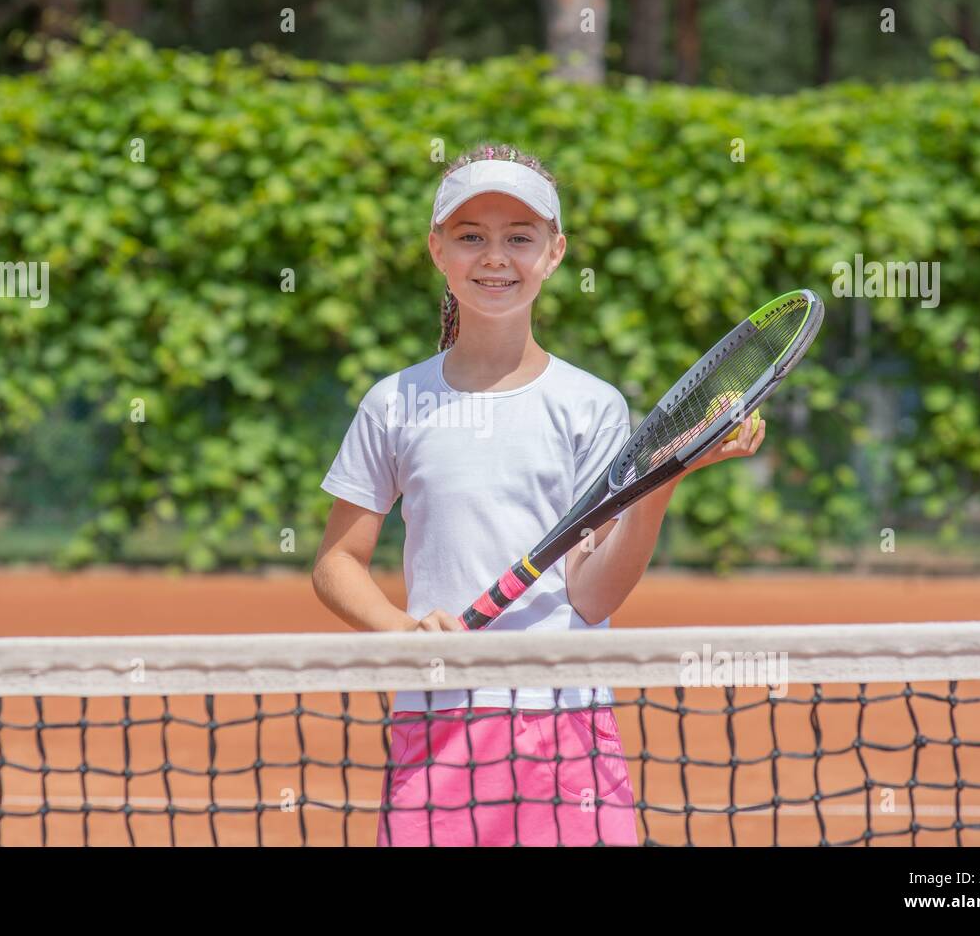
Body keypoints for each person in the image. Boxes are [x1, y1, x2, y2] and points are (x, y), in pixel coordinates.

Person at [311, 143, 765, 846]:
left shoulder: (593, 406)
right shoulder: (393, 402)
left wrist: (658, 485)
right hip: (438, 722)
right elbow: (337, 563)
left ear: (554, 253)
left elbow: (591, 596)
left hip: (566, 723)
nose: (495, 257)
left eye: (519, 237)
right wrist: (403, 631)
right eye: (471, 236)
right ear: (437, 250)